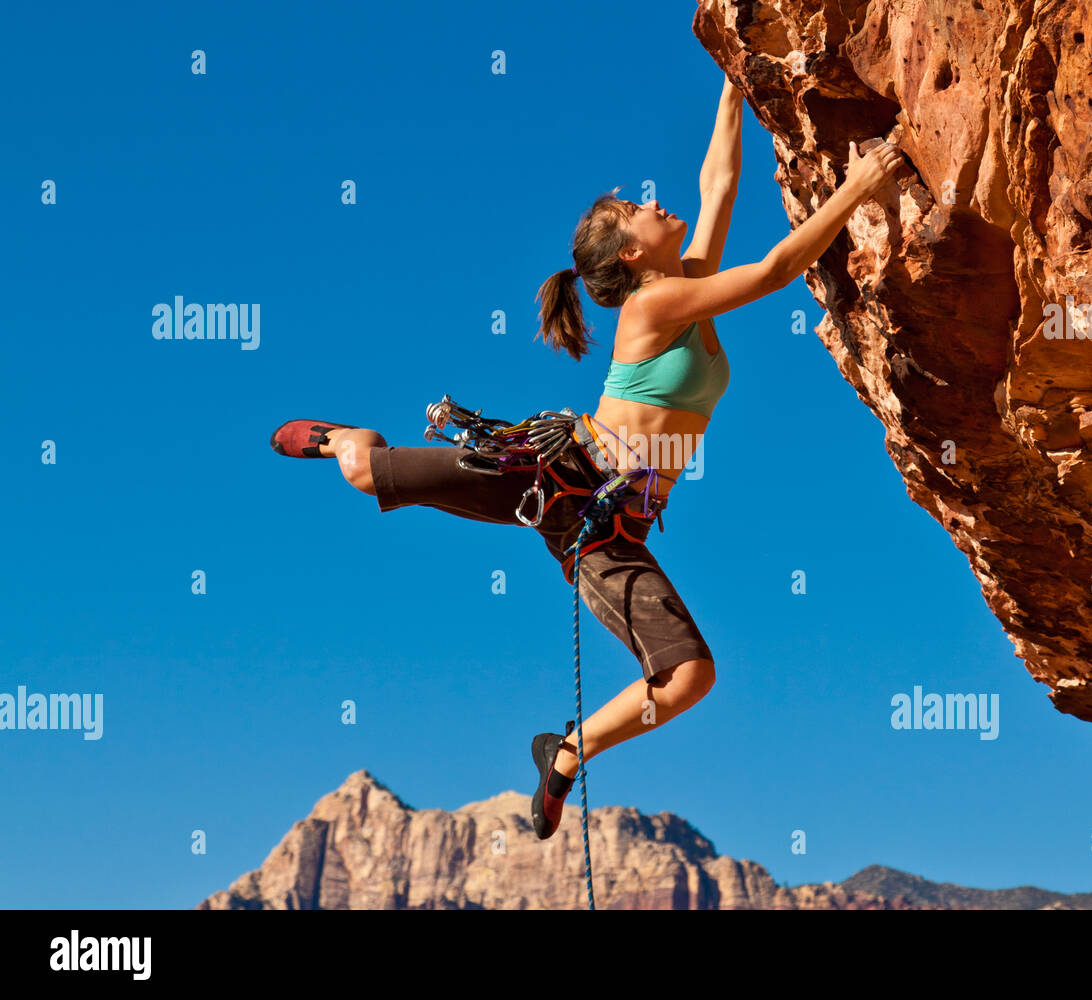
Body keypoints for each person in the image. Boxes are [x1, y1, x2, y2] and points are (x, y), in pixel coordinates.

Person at [269, 77, 903, 840]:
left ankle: (565, 753)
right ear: (632, 250)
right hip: (553, 476)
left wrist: (734, 86)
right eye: (640, 208)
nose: (656, 203)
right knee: (367, 469)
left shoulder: (685, 284)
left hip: (608, 525)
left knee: (688, 677)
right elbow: (772, 271)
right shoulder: (651, 306)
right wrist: (861, 187)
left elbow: (721, 183)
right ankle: (343, 436)